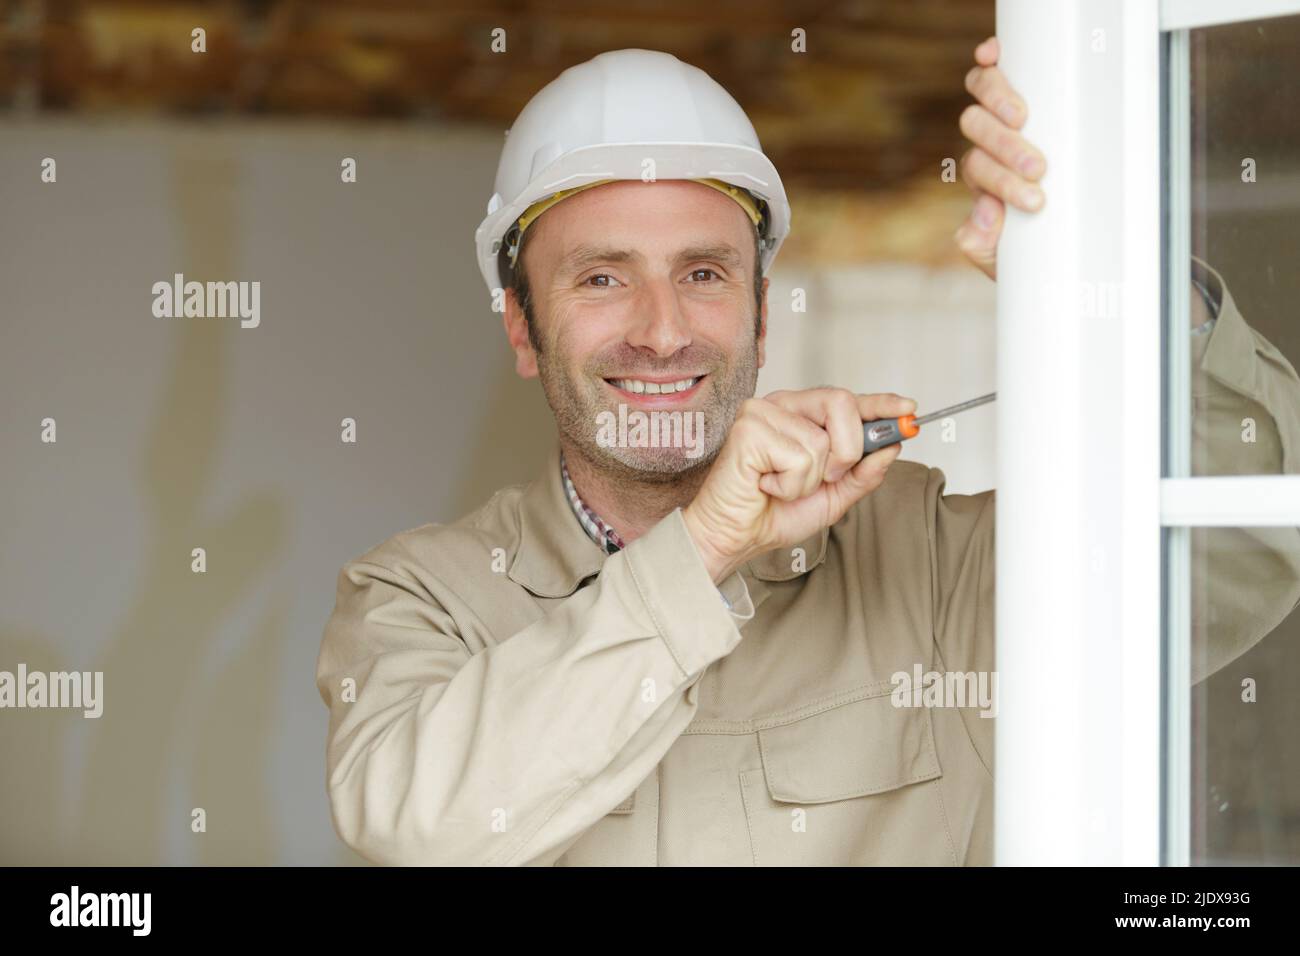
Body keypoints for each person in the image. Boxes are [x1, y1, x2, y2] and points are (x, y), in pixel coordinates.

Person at [316, 40, 1300, 865]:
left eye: (703, 273)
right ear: (524, 332)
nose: (662, 331)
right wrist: (701, 550)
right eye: (602, 277)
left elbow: (1246, 538)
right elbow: (414, 817)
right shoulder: (422, 596)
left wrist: (1126, 286)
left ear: (758, 316)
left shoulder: (928, 567)